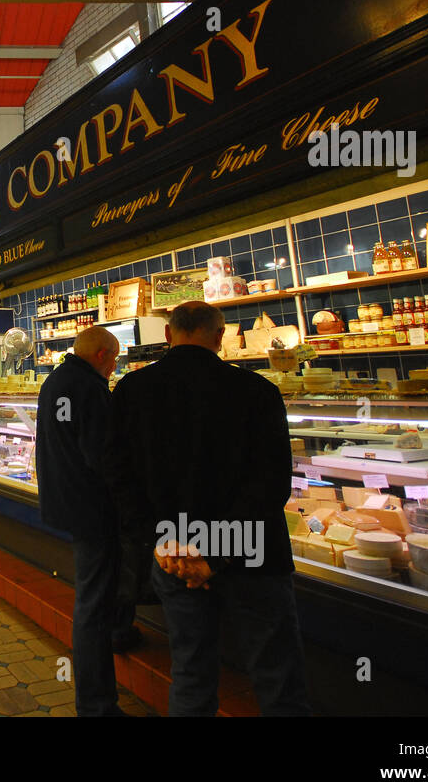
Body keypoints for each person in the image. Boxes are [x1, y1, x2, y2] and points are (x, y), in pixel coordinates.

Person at [109, 301, 311, 716]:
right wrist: (217, 554)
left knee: (191, 671)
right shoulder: (258, 390)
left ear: (168, 335)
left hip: (175, 552)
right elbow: (271, 485)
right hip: (253, 554)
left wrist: (161, 541)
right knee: (278, 676)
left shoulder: (132, 390)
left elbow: (118, 478)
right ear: (219, 337)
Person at [35, 326, 128, 717]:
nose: (114, 368)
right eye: (115, 360)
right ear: (104, 356)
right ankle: (96, 704)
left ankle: (122, 632)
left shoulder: (55, 379)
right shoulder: (90, 387)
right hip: (92, 509)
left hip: (66, 501)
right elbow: (101, 455)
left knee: (98, 595)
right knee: (92, 604)